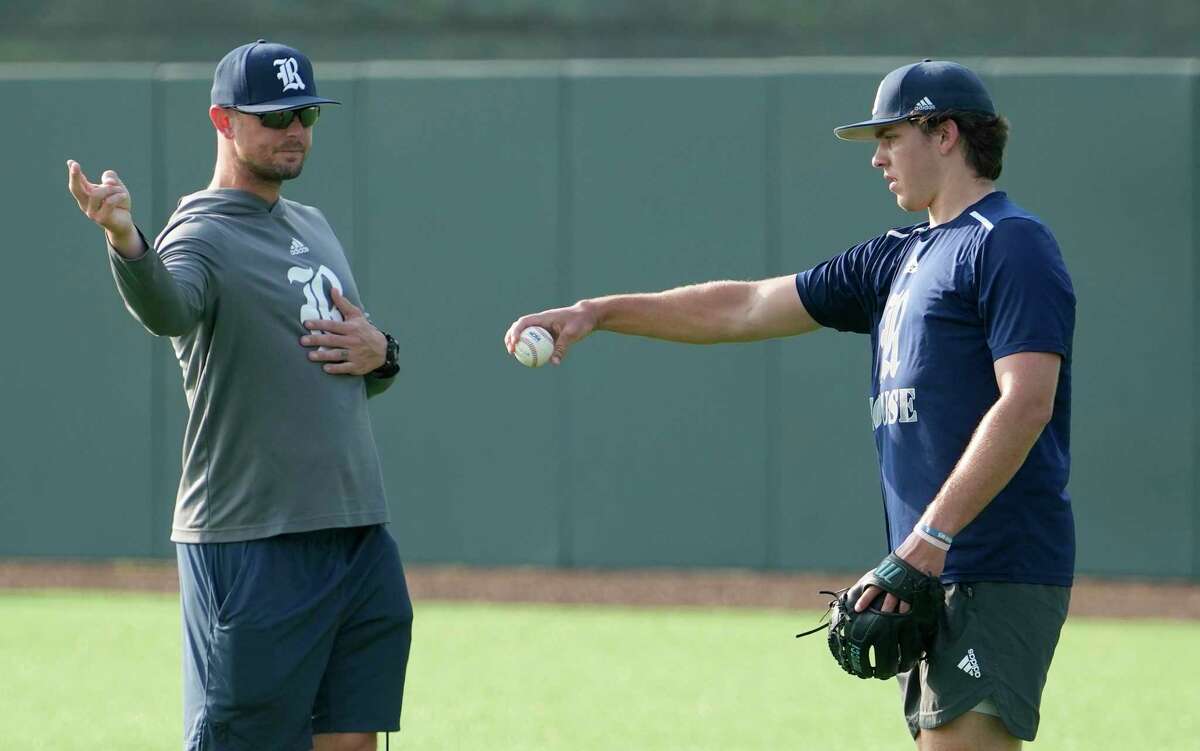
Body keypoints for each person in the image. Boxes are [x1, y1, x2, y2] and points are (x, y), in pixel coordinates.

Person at [504, 60, 1074, 750]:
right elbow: (745, 306)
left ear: (945, 133)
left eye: (891, 136)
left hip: (990, 564)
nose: (878, 157)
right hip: (928, 570)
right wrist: (598, 312)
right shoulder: (894, 259)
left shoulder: (1008, 242)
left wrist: (928, 543)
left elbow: (1027, 403)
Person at [67, 40, 410, 751]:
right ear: (223, 121)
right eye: (276, 116)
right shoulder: (202, 231)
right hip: (254, 538)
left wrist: (384, 352)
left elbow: (344, 359)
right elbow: (168, 306)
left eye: (306, 113)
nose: (295, 131)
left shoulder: (311, 225)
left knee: (351, 739)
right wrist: (127, 239)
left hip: (355, 533)